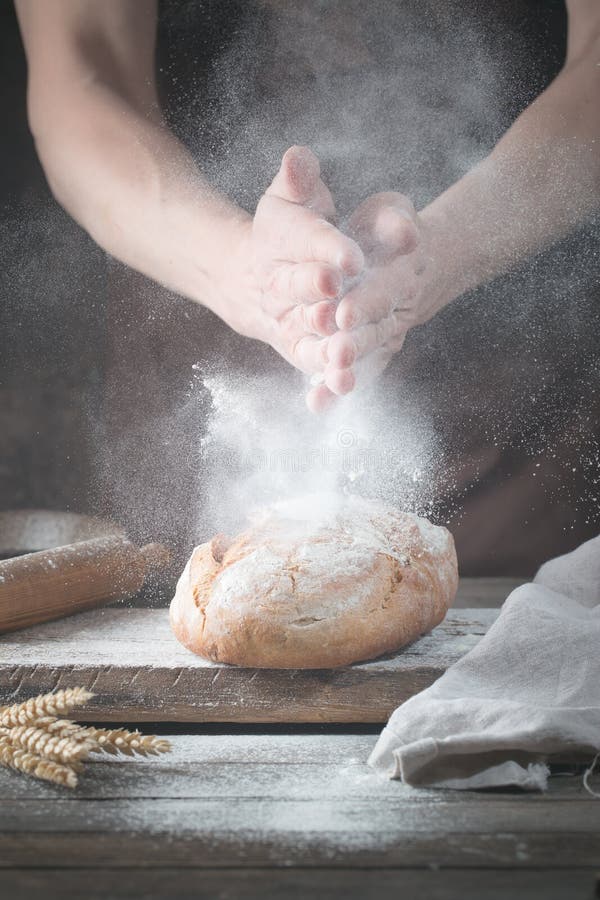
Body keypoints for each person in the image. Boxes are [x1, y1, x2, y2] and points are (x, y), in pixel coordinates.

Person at [13, 0, 600, 573]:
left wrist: (441, 250)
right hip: (192, 352)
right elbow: (84, 78)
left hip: (519, 444)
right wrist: (242, 270)